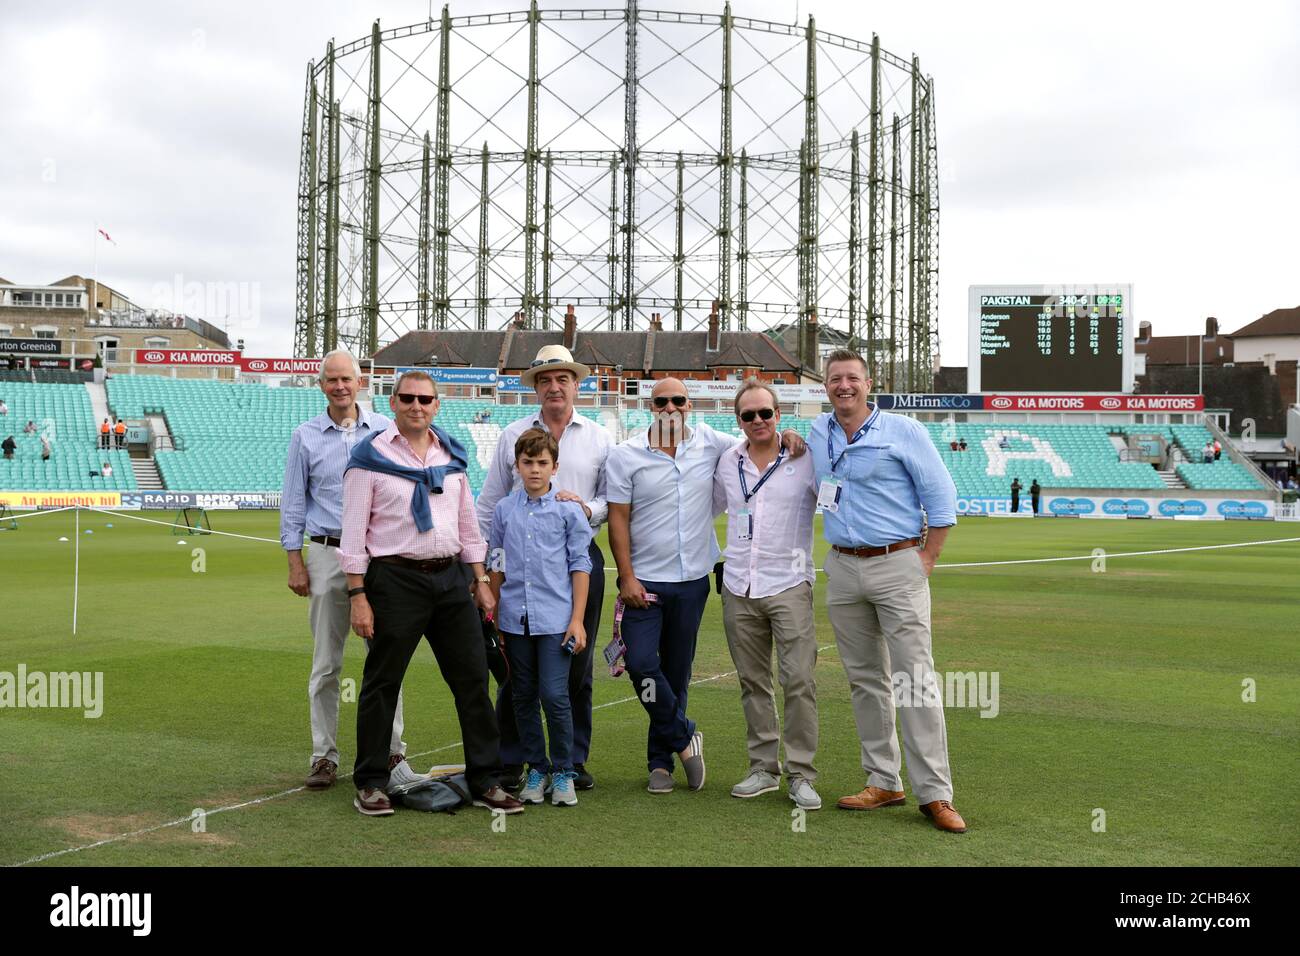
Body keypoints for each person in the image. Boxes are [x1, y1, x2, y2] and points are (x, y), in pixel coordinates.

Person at [606, 377, 805, 794]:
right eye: (662, 401)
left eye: (679, 400)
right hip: (644, 582)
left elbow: (757, 437)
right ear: (651, 406)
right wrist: (625, 575)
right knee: (642, 664)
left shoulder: (713, 443)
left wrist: (787, 433)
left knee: (676, 675)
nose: (671, 408)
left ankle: (659, 765)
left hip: (693, 579)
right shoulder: (626, 455)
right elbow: (619, 517)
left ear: (689, 404)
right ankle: (684, 737)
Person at [340, 370, 521, 817]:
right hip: (394, 580)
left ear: (436, 405)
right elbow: (352, 534)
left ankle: (485, 779)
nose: (416, 406)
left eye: (425, 399)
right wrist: (358, 595)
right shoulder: (368, 457)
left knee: (472, 680)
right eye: (407, 398)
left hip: (451, 580)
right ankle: (371, 782)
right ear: (394, 402)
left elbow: (466, 526)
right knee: (383, 682)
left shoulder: (451, 456)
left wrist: (480, 581)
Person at [809, 349, 966, 833]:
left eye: (852, 378)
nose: (843, 386)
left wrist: (926, 559)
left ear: (868, 382)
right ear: (826, 386)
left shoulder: (904, 430)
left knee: (915, 679)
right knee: (865, 680)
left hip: (897, 563)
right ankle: (884, 781)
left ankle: (935, 793)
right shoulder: (818, 432)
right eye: (835, 379)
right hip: (843, 566)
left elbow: (941, 499)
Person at [476, 345, 610, 792]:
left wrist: (585, 507)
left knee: (577, 667)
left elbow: (612, 500)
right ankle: (516, 759)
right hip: (518, 567)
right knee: (517, 674)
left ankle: (571, 761)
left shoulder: (598, 435)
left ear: (576, 384)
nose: (555, 387)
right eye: (546, 379)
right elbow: (491, 503)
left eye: (564, 379)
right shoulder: (512, 433)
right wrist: (482, 573)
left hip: (576, 561)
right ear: (536, 385)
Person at [280, 350, 408, 792]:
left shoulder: (385, 430)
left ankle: (392, 750)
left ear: (360, 383)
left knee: (385, 658)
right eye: (331, 380)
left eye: (346, 379)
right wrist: (295, 559)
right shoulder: (306, 435)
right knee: (326, 663)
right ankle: (323, 756)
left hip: (380, 555)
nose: (339, 386)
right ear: (322, 386)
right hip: (328, 553)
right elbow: (294, 501)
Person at [712, 379, 821, 811]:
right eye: (748, 415)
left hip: (789, 583)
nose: (757, 421)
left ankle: (801, 773)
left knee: (798, 680)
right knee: (752, 681)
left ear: (779, 415)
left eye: (765, 413)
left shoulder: (805, 456)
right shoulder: (726, 461)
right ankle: (763, 768)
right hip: (739, 584)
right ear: (737, 420)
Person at [487, 428, 593, 808]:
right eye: (528, 462)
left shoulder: (568, 511)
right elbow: (496, 559)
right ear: (516, 466)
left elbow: (581, 565)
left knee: (555, 695)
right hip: (515, 619)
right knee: (522, 697)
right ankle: (537, 768)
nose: (534, 469)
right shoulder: (504, 510)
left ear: (555, 467)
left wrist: (577, 619)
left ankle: (563, 771)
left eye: (542, 463)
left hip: (555, 620)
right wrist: (495, 609)